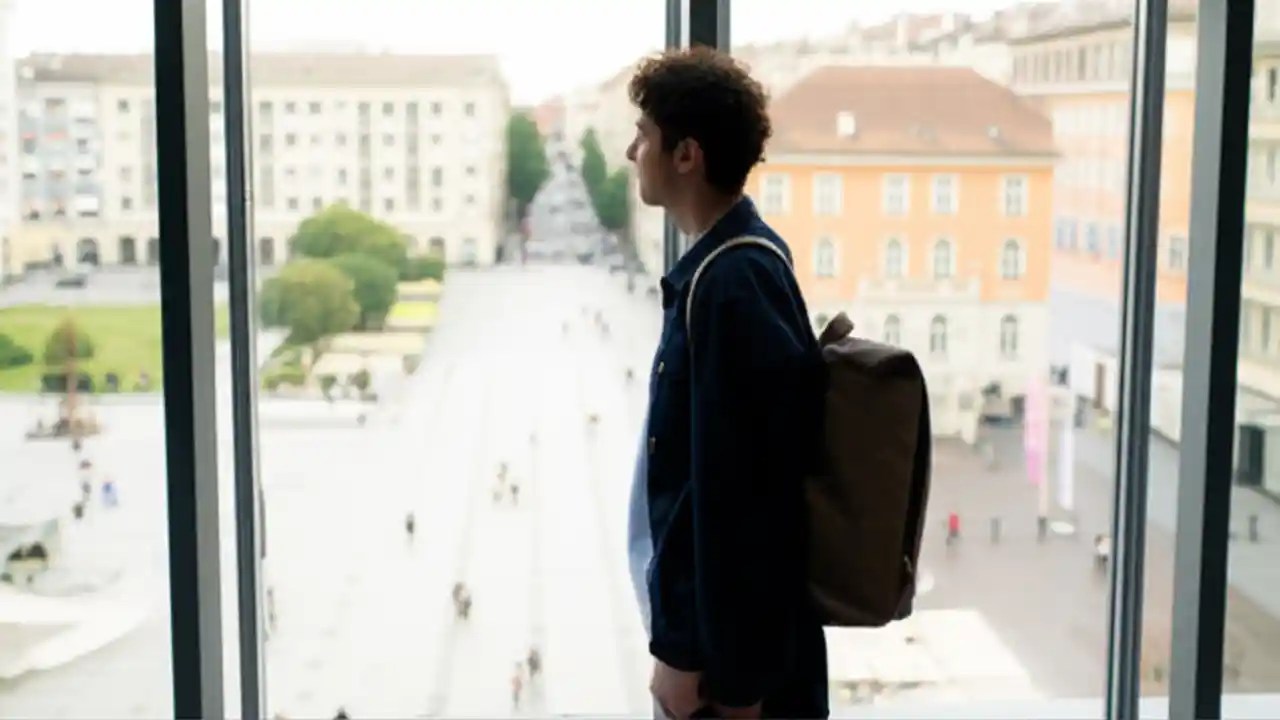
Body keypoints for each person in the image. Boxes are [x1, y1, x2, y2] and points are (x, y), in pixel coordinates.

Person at [623, 48, 828, 720]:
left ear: (687, 155)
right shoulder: (733, 265)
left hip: (725, 675)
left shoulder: (731, 285)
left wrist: (713, 671)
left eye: (645, 135)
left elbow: (742, 498)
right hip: (731, 658)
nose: (632, 152)